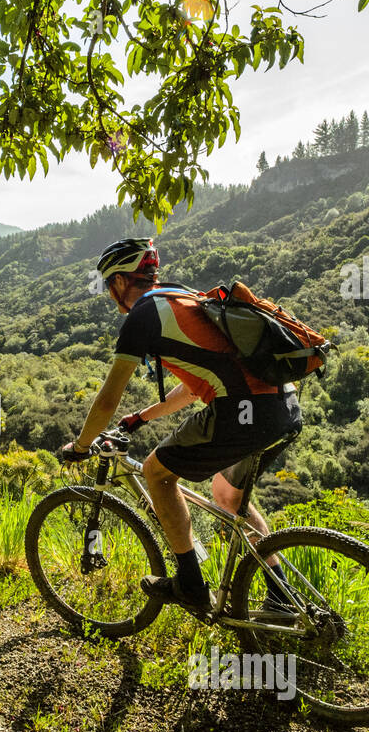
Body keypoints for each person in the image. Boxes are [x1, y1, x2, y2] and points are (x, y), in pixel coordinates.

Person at [60, 237, 302, 619]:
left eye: (109, 286)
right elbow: (192, 388)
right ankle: (283, 597)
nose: (110, 296)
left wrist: (80, 445)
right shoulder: (182, 299)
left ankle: (190, 585)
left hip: (243, 410)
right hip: (282, 405)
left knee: (157, 474)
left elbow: (107, 398)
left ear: (121, 282)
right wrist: (141, 417)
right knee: (228, 495)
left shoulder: (143, 315)